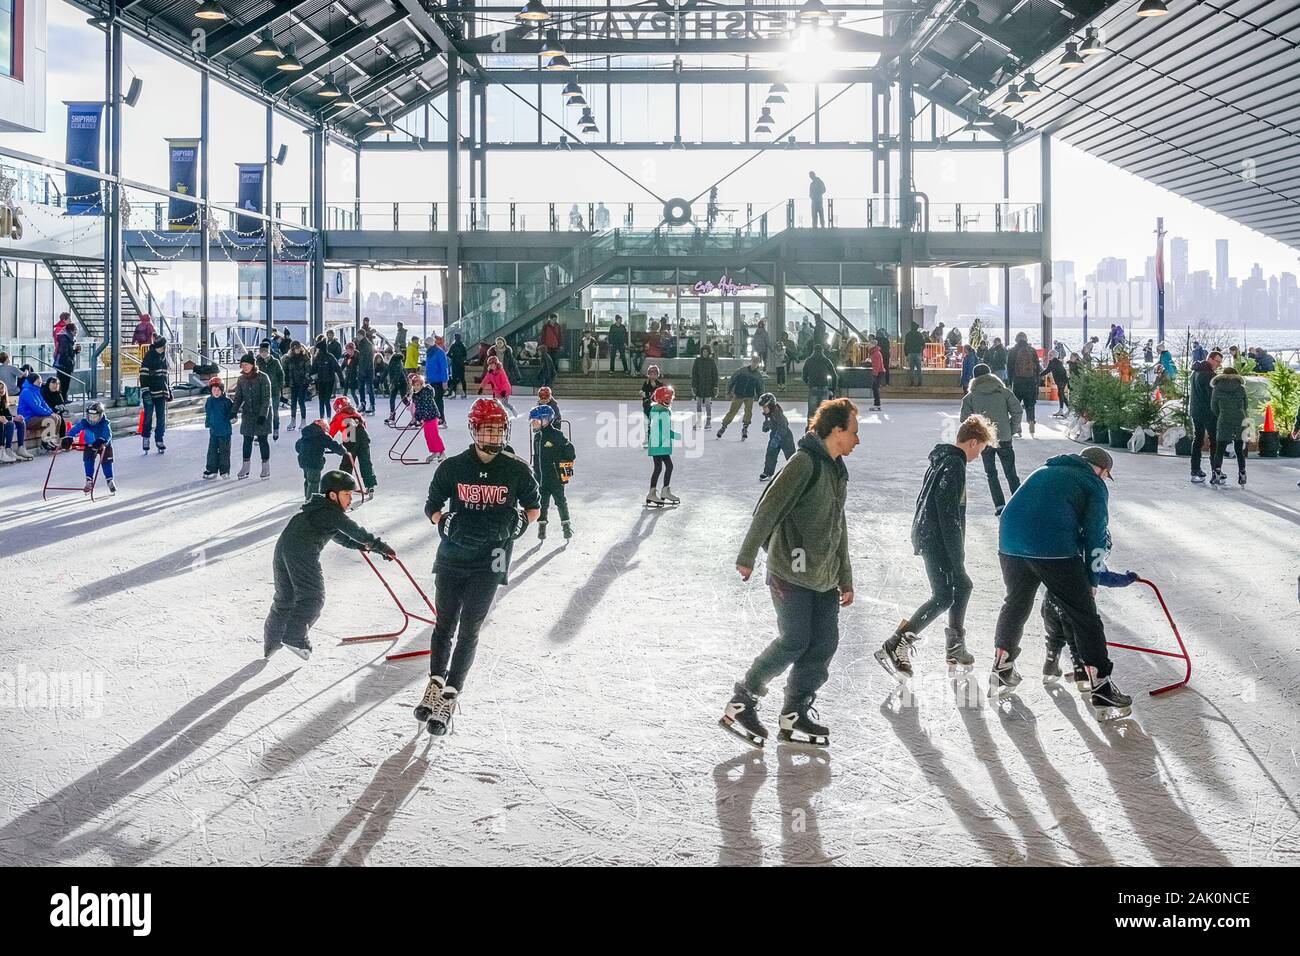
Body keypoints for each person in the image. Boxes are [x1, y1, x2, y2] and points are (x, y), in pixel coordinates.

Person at [721, 398, 858, 748]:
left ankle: (795, 710)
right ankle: (743, 700)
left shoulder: (836, 468)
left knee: (824, 643)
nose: (857, 440)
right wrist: (747, 555)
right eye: (853, 432)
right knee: (794, 640)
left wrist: (845, 576)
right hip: (791, 572)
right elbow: (768, 508)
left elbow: (838, 526)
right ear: (837, 430)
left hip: (823, 576)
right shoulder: (804, 463)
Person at [416, 398, 541, 735]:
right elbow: (431, 505)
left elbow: (534, 507)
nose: (493, 435)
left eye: (498, 429)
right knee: (444, 623)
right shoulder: (453, 467)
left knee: (470, 626)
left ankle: (450, 695)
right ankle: (435, 682)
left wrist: (518, 525)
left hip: (494, 559)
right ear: (474, 429)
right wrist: (443, 522)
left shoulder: (517, 469)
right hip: (451, 556)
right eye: (487, 429)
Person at [990, 446, 1132, 721]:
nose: (1104, 479)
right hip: (1053, 549)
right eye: (1105, 475)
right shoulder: (1093, 484)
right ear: (1101, 470)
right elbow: (1096, 535)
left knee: (1016, 603)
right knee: (1084, 616)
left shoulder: (1044, 470)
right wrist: (1092, 579)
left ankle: (1001, 669)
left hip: (1009, 542)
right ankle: (1101, 686)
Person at [875, 415, 995, 681]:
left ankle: (955, 647)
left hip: (932, 536)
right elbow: (947, 513)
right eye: (982, 449)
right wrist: (956, 558)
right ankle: (896, 644)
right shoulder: (954, 464)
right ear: (974, 442)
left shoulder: (946, 459)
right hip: (936, 539)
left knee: (962, 586)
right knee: (943, 595)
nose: (980, 455)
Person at [264, 470, 395, 660]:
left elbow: (343, 537)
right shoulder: (330, 512)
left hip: (283, 550)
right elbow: (356, 531)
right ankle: (294, 636)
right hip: (301, 554)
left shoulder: (318, 510)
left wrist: (366, 547)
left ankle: (272, 642)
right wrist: (381, 546)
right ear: (333, 495)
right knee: (313, 598)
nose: (350, 499)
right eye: (347, 494)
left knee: (285, 599)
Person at [960, 363, 1022, 514]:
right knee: (1011, 473)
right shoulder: (1004, 392)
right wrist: (1011, 429)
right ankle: (1019, 503)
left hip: (984, 440)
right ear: (990, 375)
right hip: (1005, 438)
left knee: (991, 473)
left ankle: (999, 506)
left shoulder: (970, 397)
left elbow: (965, 419)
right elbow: (1018, 411)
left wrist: (977, 433)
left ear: (974, 378)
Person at [529, 404, 576, 541]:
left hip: (556, 478)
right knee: (542, 503)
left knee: (561, 501)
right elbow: (536, 457)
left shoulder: (557, 435)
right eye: (532, 421)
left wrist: (562, 466)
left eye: (535, 420)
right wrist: (535, 473)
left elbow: (570, 453)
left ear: (545, 420)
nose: (533, 423)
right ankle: (542, 527)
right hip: (541, 479)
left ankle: (566, 526)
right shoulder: (538, 437)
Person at [231, 352, 273, 480]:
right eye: (242, 365)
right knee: (247, 440)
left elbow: (266, 398)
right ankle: (246, 466)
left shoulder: (263, 377)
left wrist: (262, 415)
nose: (244, 367)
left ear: (252, 365)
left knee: (262, 439)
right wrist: (234, 410)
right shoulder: (241, 379)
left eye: (247, 364)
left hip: (262, 413)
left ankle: (265, 466)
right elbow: (238, 397)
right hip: (248, 413)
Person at [63, 401, 116, 495]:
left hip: (104, 445)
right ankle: (89, 480)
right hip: (90, 445)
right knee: (88, 461)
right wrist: (69, 437)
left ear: (100, 416)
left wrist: (102, 440)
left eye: (95, 417)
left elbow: (108, 434)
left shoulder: (104, 423)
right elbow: (76, 429)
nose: (92, 419)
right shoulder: (85, 422)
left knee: (106, 462)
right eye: (90, 416)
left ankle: (109, 480)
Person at [329, 396, 377, 496]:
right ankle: (370, 485)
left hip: (351, 436)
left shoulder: (339, 416)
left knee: (347, 463)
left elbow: (331, 431)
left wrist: (328, 444)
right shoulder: (357, 413)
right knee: (365, 462)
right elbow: (364, 425)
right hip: (364, 437)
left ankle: (343, 486)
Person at [1209, 365, 1248, 487]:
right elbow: (1245, 405)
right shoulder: (1241, 388)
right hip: (1239, 419)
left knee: (1220, 448)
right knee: (1239, 448)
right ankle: (1242, 472)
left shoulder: (1217, 388)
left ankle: (1217, 471)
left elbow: (1213, 406)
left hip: (1224, 418)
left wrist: (1221, 413)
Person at [1188, 349, 1222, 483]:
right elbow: (1212, 397)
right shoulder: (1209, 375)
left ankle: (1195, 470)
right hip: (1208, 412)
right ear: (1211, 359)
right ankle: (1216, 470)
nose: (1219, 365)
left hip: (1196, 411)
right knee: (1214, 441)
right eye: (1218, 362)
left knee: (1198, 440)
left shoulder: (1195, 372)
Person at [295, 415, 347, 502]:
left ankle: (307, 497)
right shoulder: (322, 435)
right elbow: (333, 445)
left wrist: (305, 450)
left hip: (303, 461)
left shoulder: (306, 434)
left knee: (308, 480)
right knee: (314, 482)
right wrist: (343, 450)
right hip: (314, 462)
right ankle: (311, 501)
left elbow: (297, 446)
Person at [645, 384, 680, 507]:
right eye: (668, 399)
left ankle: (657, 492)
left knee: (660, 468)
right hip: (660, 444)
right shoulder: (662, 412)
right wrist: (677, 436)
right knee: (667, 466)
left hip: (657, 444)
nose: (670, 401)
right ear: (662, 400)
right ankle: (659, 491)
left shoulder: (657, 411)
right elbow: (664, 430)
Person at [718, 354, 764, 440]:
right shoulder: (742, 371)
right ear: (751, 362)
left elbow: (760, 387)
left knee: (748, 412)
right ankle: (724, 426)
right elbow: (732, 380)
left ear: (758, 364)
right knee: (732, 411)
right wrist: (728, 391)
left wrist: (761, 397)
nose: (754, 364)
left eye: (756, 362)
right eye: (753, 362)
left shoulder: (758, 375)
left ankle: (745, 427)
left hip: (749, 396)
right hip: (738, 394)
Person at [138, 337, 170, 454]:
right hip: (150, 393)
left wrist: (168, 391)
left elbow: (165, 377)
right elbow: (143, 375)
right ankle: (146, 438)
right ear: (162, 347)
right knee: (148, 417)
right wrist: (146, 391)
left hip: (161, 393)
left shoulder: (164, 358)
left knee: (161, 418)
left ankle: (159, 439)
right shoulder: (149, 357)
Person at [1007, 331, 1042, 437]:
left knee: (1016, 405)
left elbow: (1009, 368)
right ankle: (1031, 423)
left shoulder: (1012, 351)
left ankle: (1018, 426)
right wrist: (1037, 382)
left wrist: (1009, 382)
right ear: (1026, 339)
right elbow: (1037, 369)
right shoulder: (1032, 350)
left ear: (1016, 340)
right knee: (1030, 404)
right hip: (1031, 382)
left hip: (1018, 381)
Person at [202, 377, 235, 479]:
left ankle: (224, 471)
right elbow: (208, 413)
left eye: (218, 390)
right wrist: (207, 422)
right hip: (214, 431)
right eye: (213, 390)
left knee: (224, 452)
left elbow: (232, 413)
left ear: (222, 390)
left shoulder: (227, 401)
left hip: (225, 432)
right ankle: (211, 469)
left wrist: (233, 417)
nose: (216, 392)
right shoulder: (209, 401)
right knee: (212, 451)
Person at [17, 372, 61, 451]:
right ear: (33, 381)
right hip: (28, 419)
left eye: (41, 382)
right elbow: (36, 408)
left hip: (36, 417)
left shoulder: (36, 390)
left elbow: (44, 404)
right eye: (39, 382)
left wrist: (51, 412)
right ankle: (45, 442)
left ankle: (52, 440)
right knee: (51, 419)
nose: (41, 383)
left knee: (57, 417)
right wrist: (49, 414)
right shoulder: (26, 392)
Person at [758, 392, 795, 482]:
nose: (763, 409)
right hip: (774, 435)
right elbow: (769, 422)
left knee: (790, 455)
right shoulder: (769, 414)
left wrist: (778, 438)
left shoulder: (779, 414)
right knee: (770, 454)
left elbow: (783, 426)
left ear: (770, 406)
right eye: (762, 407)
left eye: (765, 407)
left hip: (785, 436)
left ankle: (795, 472)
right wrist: (766, 426)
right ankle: (768, 472)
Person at [410, 374, 445, 464]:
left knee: (434, 434)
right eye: (415, 385)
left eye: (419, 385)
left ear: (422, 385)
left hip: (432, 416)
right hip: (425, 419)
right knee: (427, 435)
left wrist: (422, 417)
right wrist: (417, 417)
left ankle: (441, 452)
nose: (417, 387)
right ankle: (435, 452)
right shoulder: (415, 395)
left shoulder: (426, 392)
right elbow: (418, 408)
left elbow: (425, 405)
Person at [256, 340, 285, 442]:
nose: (263, 353)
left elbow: (281, 374)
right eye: (261, 351)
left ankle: (276, 428)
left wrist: (280, 386)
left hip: (274, 390)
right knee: (261, 412)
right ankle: (260, 432)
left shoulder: (275, 361)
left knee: (274, 412)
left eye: (265, 351)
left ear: (269, 351)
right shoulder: (258, 361)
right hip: (261, 392)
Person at [802, 341, 837, 420]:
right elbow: (834, 376)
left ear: (813, 351)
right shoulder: (826, 361)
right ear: (822, 351)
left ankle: (811, 429)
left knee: (812, 413)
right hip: (824, 388)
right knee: (824, 412)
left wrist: (808, 383)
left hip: (813, 387)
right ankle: (823, 429)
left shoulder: (809, 361)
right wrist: (833, 389)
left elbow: (804, 375)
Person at [311, 336, 344, 420]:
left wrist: (341, 380)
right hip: (320, 382)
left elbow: (338, 368)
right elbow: (313, 370)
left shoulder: (330, 357)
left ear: (321, 349)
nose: (316, 351)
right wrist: (309, 377)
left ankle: (328, 418)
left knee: (326, 401)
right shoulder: (317, 358)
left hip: (329, 382)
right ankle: (322, 418)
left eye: (318, 349)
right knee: (321, 401)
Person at [0, 381, 33, 463]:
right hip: (2, 423)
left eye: (2, 388)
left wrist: (15, 417)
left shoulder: (3, 401)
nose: (1, 390)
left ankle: (20, 448)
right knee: (9, 424)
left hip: (3, 421)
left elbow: (7, 415)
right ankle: (4, 450)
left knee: (21, 421)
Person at [282, 341, 311, 431]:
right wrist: (286, 381)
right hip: (293, 383)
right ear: (292, 349)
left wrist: (306, 379)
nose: (297, 350)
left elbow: (308, 370)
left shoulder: (305, 358)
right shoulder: (288, 359)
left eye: (298, 348)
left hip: (303, 383)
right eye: (295, 348)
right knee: (293, 402)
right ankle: (293, 420)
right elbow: (285, 371)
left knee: (301, 401)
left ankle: (303, 420)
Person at [691, 344, 719, 429]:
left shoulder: (711, 361)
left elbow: (715, 374)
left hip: (708, 386)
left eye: (706, 352)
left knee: (707, 404)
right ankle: (699, 421)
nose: (705, 353)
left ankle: (708, 421)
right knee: (698, 404)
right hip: (699, 386)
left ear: (709, 352)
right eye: (703, 351)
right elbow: (694, 374)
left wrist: (715, 386)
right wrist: (694, 385)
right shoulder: (697, 361)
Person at [425, 336, 449, 425]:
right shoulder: (430, 353)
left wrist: (445, 381)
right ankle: (435, 417)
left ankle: (441, 418)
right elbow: (428, 366)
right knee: (432, 400)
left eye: (426, 344)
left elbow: (444, 368)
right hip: (431, 380)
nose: (425, 346)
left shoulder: (440, 352)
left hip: (439, 380)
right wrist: (426, 377)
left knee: (438, 399)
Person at [53, 321, 80, 399]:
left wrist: (75, 351)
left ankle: (63, 398)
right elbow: (64, 353)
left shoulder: (69, 339)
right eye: (75, 330)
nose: (76, 332)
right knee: (63, 383)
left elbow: (67, 352)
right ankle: (62, 399)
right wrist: (70, 362)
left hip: (64, 365)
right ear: (71, 331)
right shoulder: (65, 339)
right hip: (63, 365)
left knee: (64, 383)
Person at [385, 344, 411, 422]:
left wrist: (393, 383)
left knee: (404, 399)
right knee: (392, 399)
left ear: (391, 354)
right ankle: (392, 415)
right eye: (385, 355)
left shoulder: (396, 360)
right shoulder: (388, 361)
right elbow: (386, 371)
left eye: (388, 355)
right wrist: (382, 380)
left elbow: (398, 373)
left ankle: (415, 411)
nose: (386, 356)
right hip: (395, 382)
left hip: (401, 382)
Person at [355, 329, 377, 415]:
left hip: (367, 370)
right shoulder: (361, 344)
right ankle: (364, 404)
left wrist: (363, 370)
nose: (358, 337)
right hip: (363, 370)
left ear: (363, 335)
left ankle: (370, 405)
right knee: (362, 388)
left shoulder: (366, 345)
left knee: (368, 388)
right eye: (358, 335)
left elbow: (367, 360)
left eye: (359, 335)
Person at [1045, 349, 1070, 417]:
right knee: (1061, 395)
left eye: (1050, 355)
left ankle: (1061, 410)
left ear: (1054, 356)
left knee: (1060, 394)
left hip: (1062, 380)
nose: (1049, 356)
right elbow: (1047, 370)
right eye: (1048, 355)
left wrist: (1062, 382)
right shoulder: (1051, 362)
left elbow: (1063, 372)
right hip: (1060, 381)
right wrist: (1038, 375)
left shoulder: (1058, 362)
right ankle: (1068, 408)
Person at [904, 321, 926, 387]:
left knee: (911, 369)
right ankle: (920, 382)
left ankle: (912, 382)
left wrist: (906, 353)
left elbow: (906, 345)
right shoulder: (920, 335)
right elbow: (923, 344)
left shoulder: (908, 335)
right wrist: (921, 350)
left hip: (910, 353)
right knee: (919, 369)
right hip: (918, 353)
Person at [868, 336, 886, 410]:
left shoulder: (876, 353)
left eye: (870, 344)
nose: (868, 345)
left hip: (879, 372)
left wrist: (874, 374)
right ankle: (877, 403)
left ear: (873, 345)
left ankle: (877, 404)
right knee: (875, 387)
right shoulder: (874, 353)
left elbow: (877, 365)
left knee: (875, 387)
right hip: (879, 372)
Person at [448, 332, 468, 398]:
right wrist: (462, 359)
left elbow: (448, 354)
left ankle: (454, 393)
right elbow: (465, 355)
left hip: (454, 364)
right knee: (462, 379)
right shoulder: (462, 346)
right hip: (461, 364)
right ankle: (464, 393)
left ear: (455, 338)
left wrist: (453, 358)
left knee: (454, 379)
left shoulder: (453, 345)